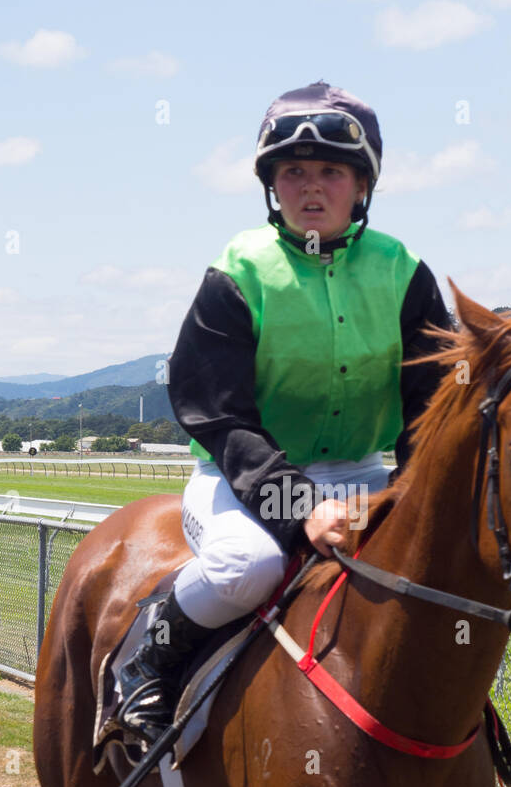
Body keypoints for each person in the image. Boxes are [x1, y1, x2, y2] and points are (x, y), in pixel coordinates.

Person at [117, 81, 454, 743]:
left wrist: (416, 493)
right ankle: (144, 660)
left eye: (331, 171)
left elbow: (431, 406)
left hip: (362, 472)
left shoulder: (404, 271)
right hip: (239, 482)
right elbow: (216, 414)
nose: (311, 187)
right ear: (272, 186)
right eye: (293, 171)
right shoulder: (238, 271)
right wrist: (298, 507)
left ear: (361, 186)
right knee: (248, 570)